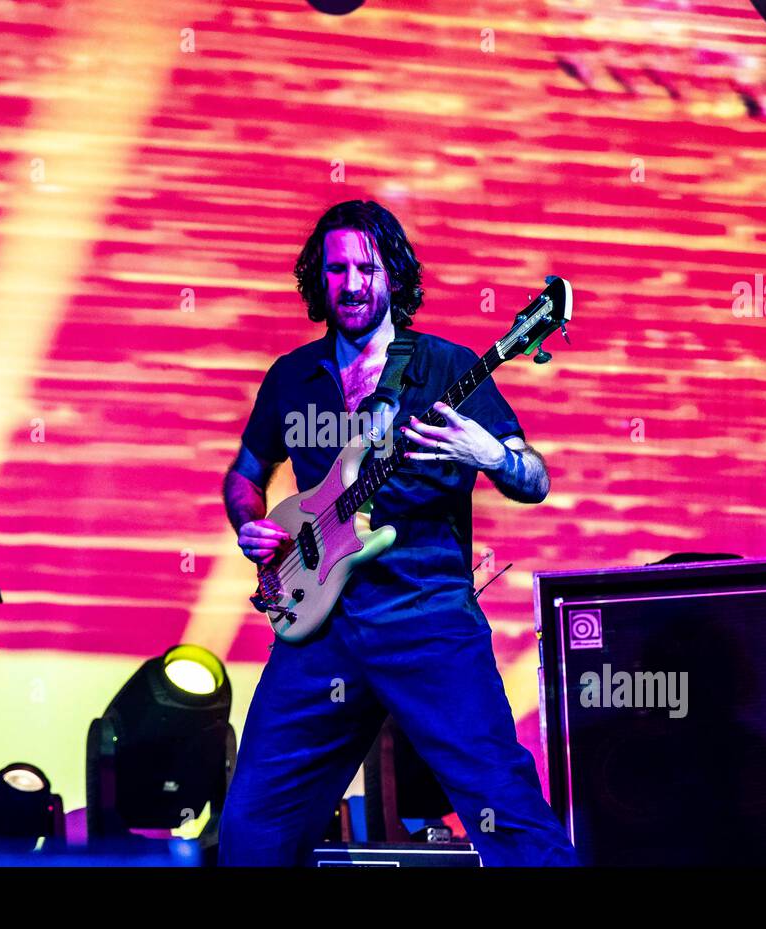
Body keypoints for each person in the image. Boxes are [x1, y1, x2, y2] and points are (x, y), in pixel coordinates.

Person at [218, 199, 578, 866]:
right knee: (252, 829)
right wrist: (254, 527)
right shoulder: (292, 376)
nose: (351, 284)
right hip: (318, 630)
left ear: (393, 274)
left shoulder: (446, 368)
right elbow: (244, 474)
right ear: (316, 280)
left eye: (366, 268)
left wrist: (491, 456)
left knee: (508, 812)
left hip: (426, 620)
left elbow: (536, 480)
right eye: (335, 270)